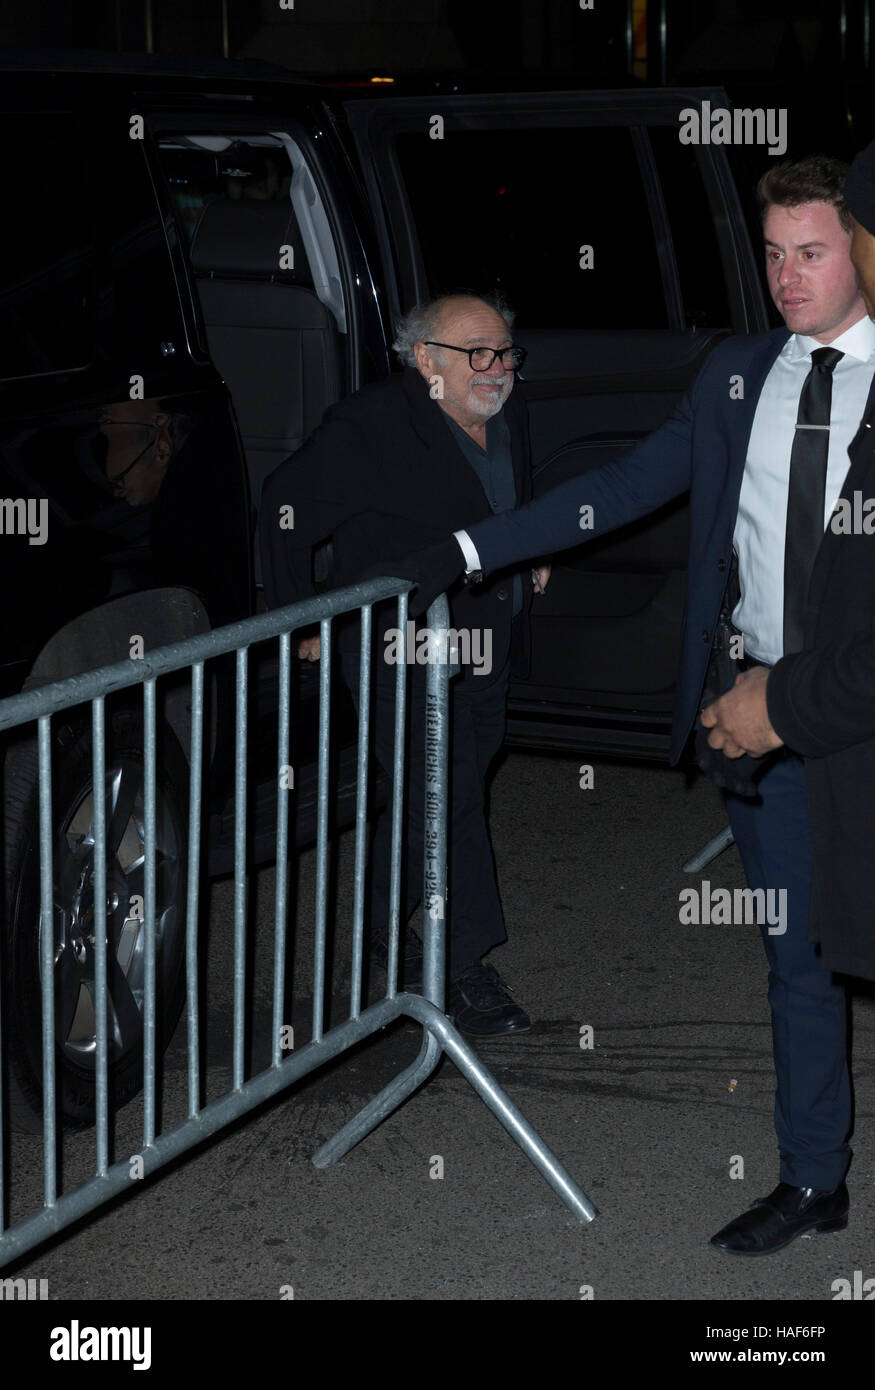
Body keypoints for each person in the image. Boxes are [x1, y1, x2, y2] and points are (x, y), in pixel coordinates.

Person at [396, 154, 875, 1255]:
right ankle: (814, 1177)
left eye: (809, 252)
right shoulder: (735, 377)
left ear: (855, 247)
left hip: (857, 710)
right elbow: (615, 491)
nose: (785, 277)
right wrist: (467, 548)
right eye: (770, 254)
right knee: (794, 954)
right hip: (759, 716)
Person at [260, 293, 549, 1037]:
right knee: (447, 795)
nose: (496, 368)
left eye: (505, 351)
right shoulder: (373, 425)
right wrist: (303, 618)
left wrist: (535, 549)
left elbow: (512, 499)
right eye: (475, 353)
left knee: (443, 790)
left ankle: (379, 936)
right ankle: (459, 966)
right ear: (424, 361)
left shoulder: (504, 412)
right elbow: (283, 504)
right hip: (405, 638)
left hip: (487, 635)